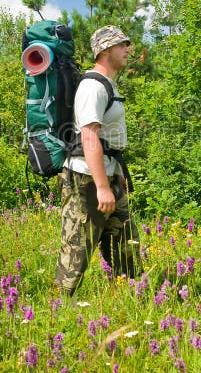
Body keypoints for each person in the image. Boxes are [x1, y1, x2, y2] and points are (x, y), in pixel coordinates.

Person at [55, 25, 142, 296]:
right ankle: (57, 311)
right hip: (87, 179)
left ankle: (131, 299)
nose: (128, 49)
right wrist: (102, 187)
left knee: (127, 245)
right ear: (104, 49)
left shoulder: (107, 84)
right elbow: (89, 137)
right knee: (77, 250)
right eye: (122, 44)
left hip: (109, 174)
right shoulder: (92, 86)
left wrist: (112, 181)